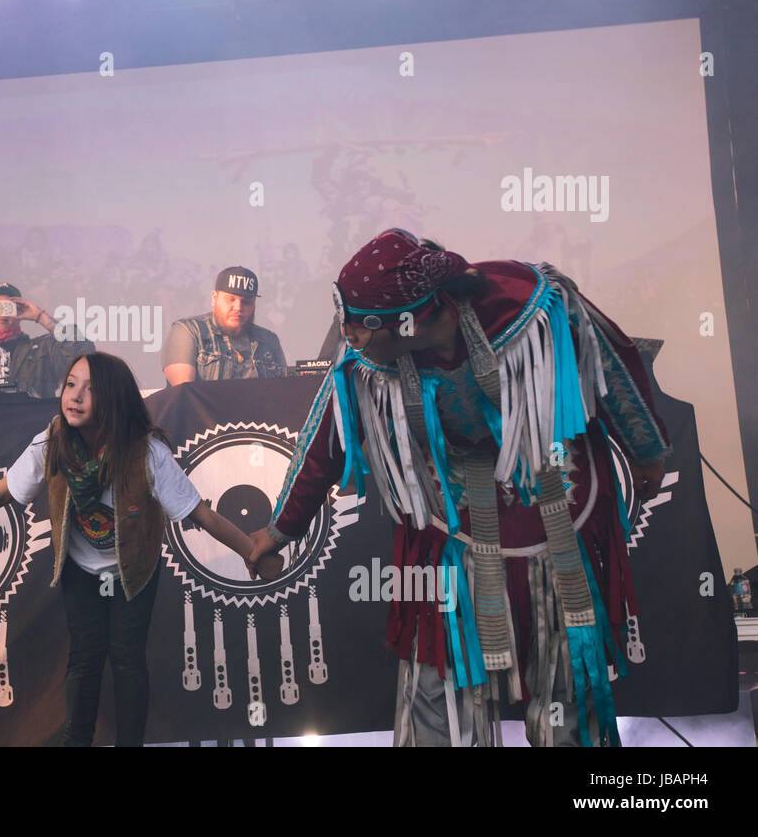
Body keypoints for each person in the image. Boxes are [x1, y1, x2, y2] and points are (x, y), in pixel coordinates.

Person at [247, 229, 670, 747]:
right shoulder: (366, 363)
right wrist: (281, 528)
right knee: (439, 691)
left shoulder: (532, 305)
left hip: (553, 510)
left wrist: (646, 450)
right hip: (454, 530)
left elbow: (610, 364)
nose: (348, 335)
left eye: (360, 325)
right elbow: (327, 440)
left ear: (411, 318)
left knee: (567, 691)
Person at [0, 352, 283, 746]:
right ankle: (77, 739)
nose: (76, 396)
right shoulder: (52, 442)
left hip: (132, 571)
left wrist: (250, 550)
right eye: (71, 384)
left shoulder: (146, 453)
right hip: (81, 568)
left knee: (126, 658)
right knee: (84, 658)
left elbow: (200, 514)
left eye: (91, 390)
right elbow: (5, 490)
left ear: (116, 400)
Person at [162, 266, 287, 385]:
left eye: (246, 302)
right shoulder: (189, 331)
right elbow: (185, 394)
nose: (238, 307)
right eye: (231, 299)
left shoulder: (269, 340)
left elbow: (283, 394)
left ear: (254, 304)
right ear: (214, 298)